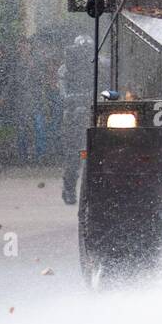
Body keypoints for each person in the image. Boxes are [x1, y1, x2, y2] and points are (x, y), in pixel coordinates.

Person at [58, 35, 102, 205]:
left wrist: (94, 97)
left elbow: (106, 89)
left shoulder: (99, 66)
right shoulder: (65, 70)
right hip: (73, 115)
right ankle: (69, 189)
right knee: (73, 155)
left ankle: (96, 191)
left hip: (93, 115)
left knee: (97, 154)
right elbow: (64, 95)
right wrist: (81, 98)